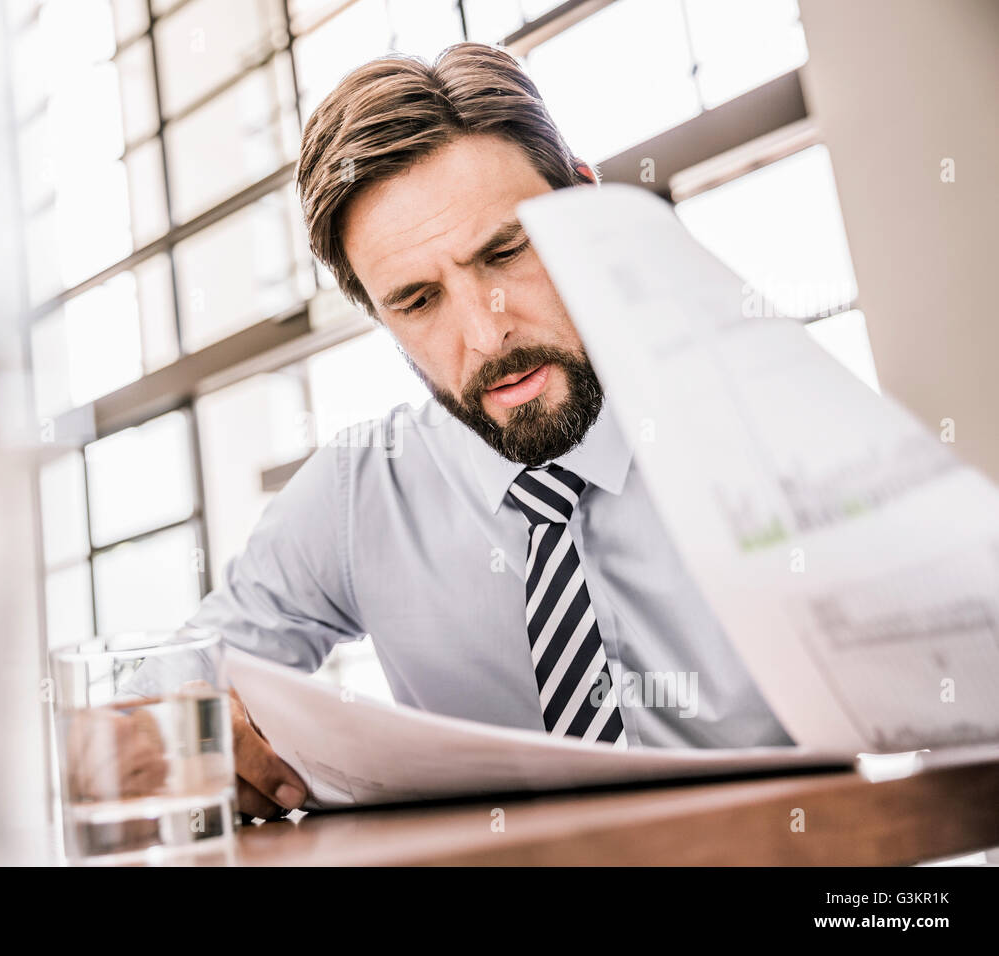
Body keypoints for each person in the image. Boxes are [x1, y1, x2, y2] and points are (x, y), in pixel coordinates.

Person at [187, 42, 792, 822]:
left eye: (505, 251)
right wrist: (190, 732)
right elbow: (173, 690)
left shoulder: (763, 430)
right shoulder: (360, 492)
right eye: (417, 300)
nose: (485, 336)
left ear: (584, 203)